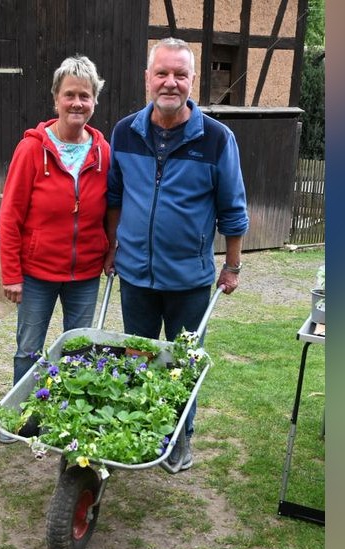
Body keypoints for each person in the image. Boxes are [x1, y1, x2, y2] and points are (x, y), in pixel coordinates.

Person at [104, 38, 249, 471]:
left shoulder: (217, 139)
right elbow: (115, 198)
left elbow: (233, 210)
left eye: (180, 75)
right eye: (162, 73)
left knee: (182, 364)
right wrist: (112, 248)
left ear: (192, 81)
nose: (171, 82)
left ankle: (181, 439)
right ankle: (142, 433)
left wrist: (232, 266)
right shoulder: (125, 132)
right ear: (147, 79)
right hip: (136, 276)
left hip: (189, 280)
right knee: (138, 359)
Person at [0, 55, 112, 395]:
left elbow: (111, 210)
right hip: (38, 274)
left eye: (85, 96)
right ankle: (22, 413)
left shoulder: (103, 152)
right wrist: (12, 274)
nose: (77, 103)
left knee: (79, 350)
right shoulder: (31, 149)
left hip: (85, 274)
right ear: (56, 99)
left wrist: (110, 250)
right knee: (28, 350)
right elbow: (10, 215)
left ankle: (68, 412)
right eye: (69, 95)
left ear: (94, 101)